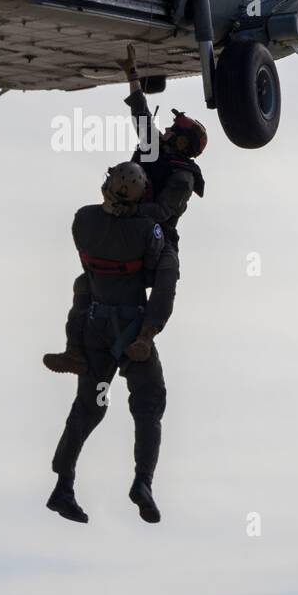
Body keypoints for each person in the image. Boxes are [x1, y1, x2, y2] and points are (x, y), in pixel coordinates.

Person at [43, 43, 206, 375]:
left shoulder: (182, 177)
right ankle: (75, 350)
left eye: (176, 130)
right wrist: (131, 74)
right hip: (120, 219)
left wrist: (127, 212)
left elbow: (161, 213)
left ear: (182, 143)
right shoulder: (153, 149)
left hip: (154, 235)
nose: (169, 129)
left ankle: (145, 336)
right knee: (85, 284)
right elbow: (140, 112)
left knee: (167, 273)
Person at [47, 162, 169, 525]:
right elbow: (158, 283)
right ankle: (142, 481)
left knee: (89, 406)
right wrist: (147, 335)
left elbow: (89, 270)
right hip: (131, 331)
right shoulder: (148, 231)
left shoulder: (82, 220)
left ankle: (63, 484)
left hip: (94, 328)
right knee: (148, 405)